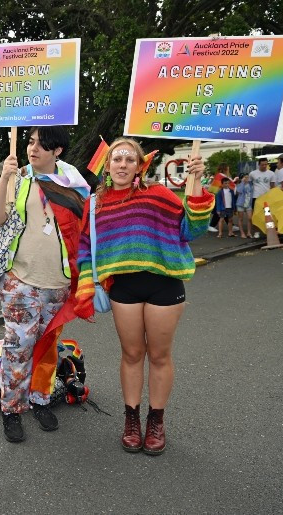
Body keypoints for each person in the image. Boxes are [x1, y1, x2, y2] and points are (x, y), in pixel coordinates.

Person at [74, 138, 213, 456]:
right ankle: (131, 420)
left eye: (129, 159)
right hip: (124, 288)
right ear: (107, 166)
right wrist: (83, 288)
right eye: (116, 158)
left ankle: (156, 421)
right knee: (132, 354)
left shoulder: (158, 195)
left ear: (140, 166)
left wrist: (196, 184)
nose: (122, 164)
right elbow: (84, 247)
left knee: (160, 356)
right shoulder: (95, 204)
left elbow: (192, 229)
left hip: (164, 284)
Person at [0, 126, 89, 443]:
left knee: (46, 348)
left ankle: (40, 398)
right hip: (20, 281)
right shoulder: (19, 179)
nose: (34, 149)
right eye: (31, 142)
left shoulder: (76, 186)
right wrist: (5, 177)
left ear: (57, 151)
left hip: (58, 284)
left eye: (43, 144)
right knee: (18, 348)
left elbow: (84, 232)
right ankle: (12, 409)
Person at [249, 158, 276, 237]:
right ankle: (256, 232)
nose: (264, 166)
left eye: (266, 164)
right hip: (256, 196)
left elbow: (273, 186)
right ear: (259, 165)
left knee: (268, 214)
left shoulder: (271, 173)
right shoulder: (252, 173)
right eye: (262, 165)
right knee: (256, 215)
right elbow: (250, 185)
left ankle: (270, 231)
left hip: (267, 197)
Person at [207, 163, 230, 233]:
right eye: (228, 168)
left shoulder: (221, 176)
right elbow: (215, 187)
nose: (229, 170)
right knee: (219, 211)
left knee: (224, 210)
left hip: (222, 195)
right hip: (219, 196)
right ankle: (211, 225)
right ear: (225, 169)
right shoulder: (220, 176)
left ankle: (230, 224)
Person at [235, 173, 254, 238]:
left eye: (247, 177)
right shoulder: (239, 185)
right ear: (242, 178)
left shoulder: (250, 185)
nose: (247, 179)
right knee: (241, 218)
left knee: (250, 218)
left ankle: (249, 232)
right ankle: (242, 233)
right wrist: (242, 182)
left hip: (248, 204)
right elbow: (239, 191)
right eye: (245, 177)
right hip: (240, 204)